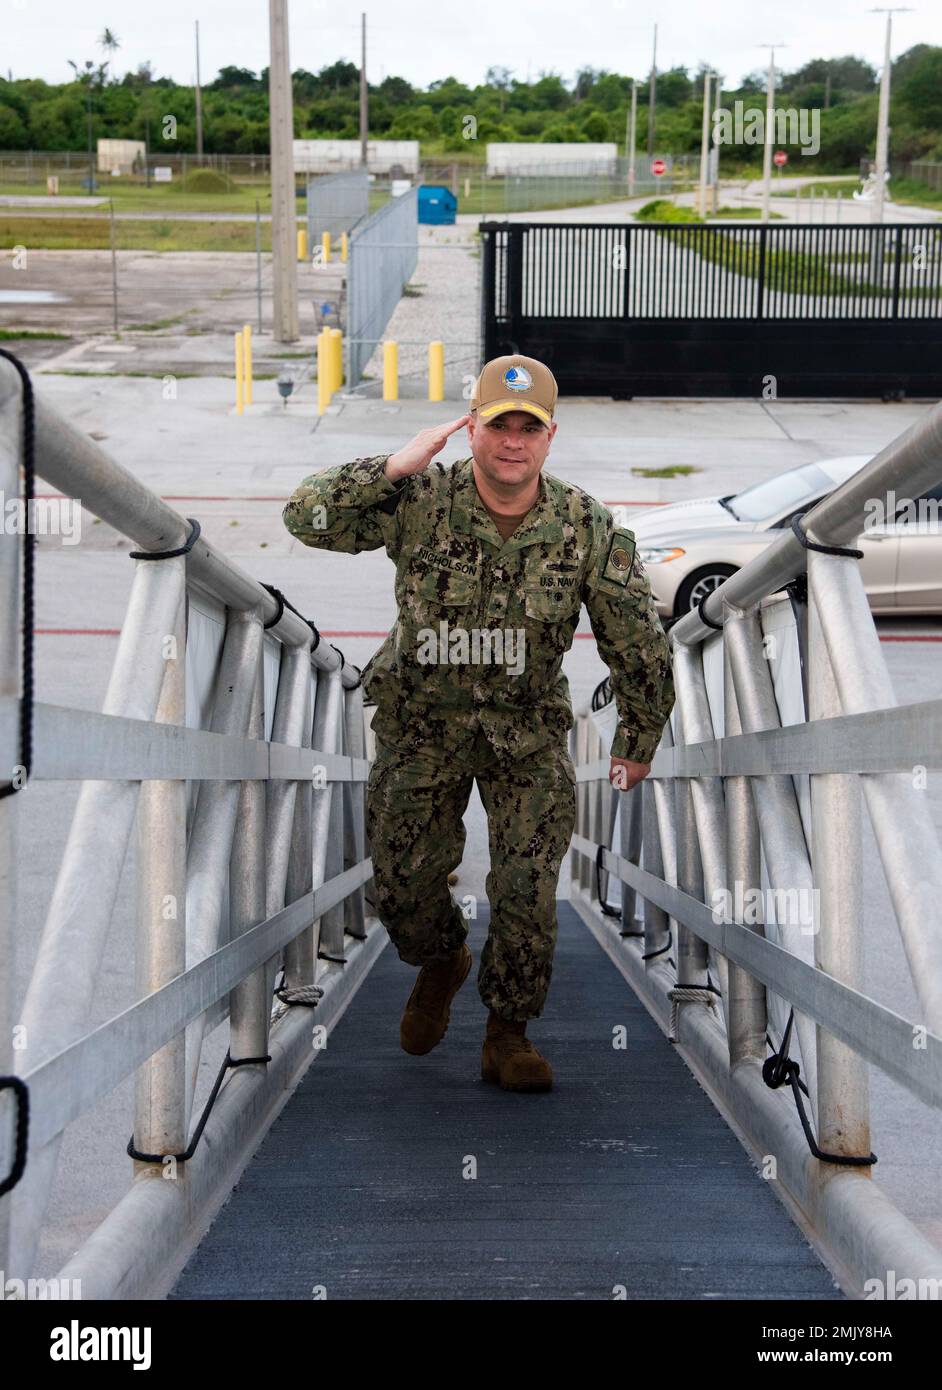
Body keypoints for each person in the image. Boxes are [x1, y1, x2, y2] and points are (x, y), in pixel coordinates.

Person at [283, 354, 674, 1092]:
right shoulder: (421, 500)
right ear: (473, 429)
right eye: (499, 426)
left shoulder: (584, 526)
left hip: (525, 735)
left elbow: (637, 640)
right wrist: (393, 466)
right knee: (400, 886)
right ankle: (441, 960)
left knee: (527, 888)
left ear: (550, 435)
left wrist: (638, 739)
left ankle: (508, 1034)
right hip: (421, 724)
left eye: (530, 428)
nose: (513, 442)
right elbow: (307, 517)